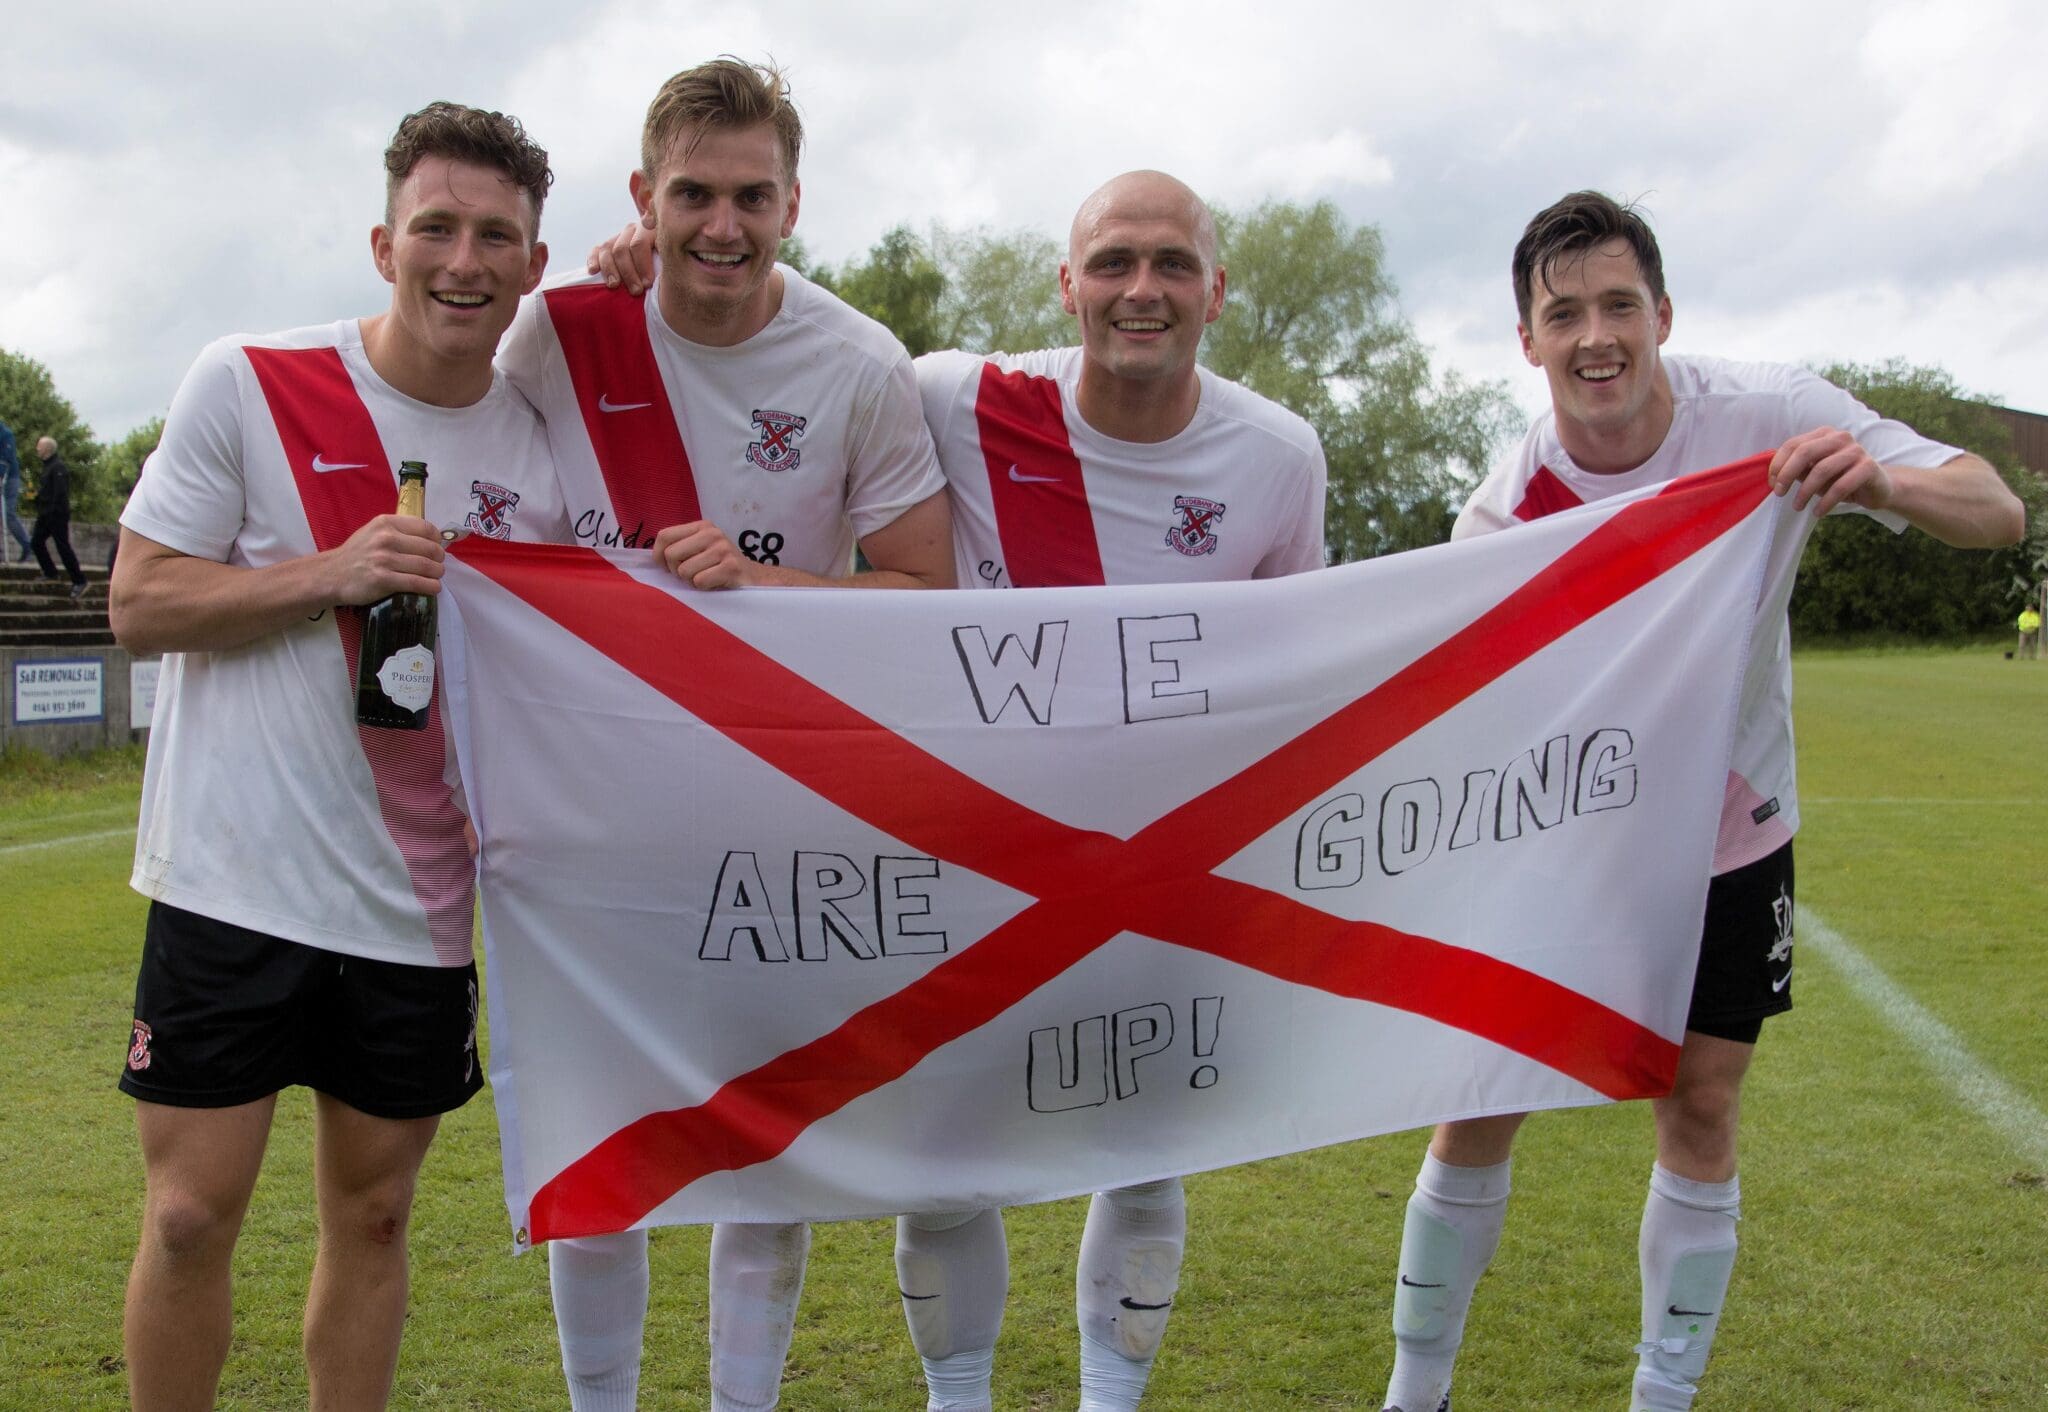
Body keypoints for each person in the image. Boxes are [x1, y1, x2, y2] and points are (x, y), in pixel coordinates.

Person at [1377, 191, 2024, 1412]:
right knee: (1482, 1101)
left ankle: (1659, 1398)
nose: (1594, 336)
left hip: (1731, 825)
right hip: (1566, 834)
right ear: (1526, 340)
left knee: (1701, 1099)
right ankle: (1414, 1394)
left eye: (1617, 304)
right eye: (1563, 314)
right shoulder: (1505, 510)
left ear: (1662, 314)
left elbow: (1997, 508)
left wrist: (1880, 480)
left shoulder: (1770, 414)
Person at [504, 57, 952, 1412]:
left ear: (793, 204)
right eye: (692, 194)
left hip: (774, 805)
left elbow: (926, 596)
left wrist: (763, 588)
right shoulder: (557, 333)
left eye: (751, 197)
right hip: (586, 803)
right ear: (642, 196)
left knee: (761, 1144)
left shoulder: (858, 362)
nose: (721, 225)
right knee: (601, 1142)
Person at [108, 101, 568, 1411]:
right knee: (189, 1216)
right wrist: (330, 573)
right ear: (383, 242)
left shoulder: (545, 450)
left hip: (412, 905)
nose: (463, 261)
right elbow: (138, 603)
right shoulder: (250, 381)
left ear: (533, 263)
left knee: (373, 1219)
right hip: (231, 881)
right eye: (436, 227)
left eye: (496, 236)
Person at [899, 171, 1326, 1412]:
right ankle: (957, 1397)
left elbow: (1300, 668)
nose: (1142, 290)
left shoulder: (1276, 454)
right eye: (1113, 261)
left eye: (1171, 263)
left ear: (1215, 290)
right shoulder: (954, 397)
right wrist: (642, 267)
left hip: (1163, 867)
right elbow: (780, 349)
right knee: (941, 1154)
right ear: (1066, 283)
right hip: (975, 852)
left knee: (1142, 1149)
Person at [30, 435, 88, 598]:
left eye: (39, 446)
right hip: (45, 514)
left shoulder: (58, 467)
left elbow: (60, 493)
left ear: (47, 449)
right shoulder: (47, 467)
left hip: (56, 515)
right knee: (36, 542)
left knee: (63, 547)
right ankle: (50, 572)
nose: (37, 449)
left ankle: (79, 580)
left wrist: (52, 511)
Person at [0, 418, 31, 562]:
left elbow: (7, 458)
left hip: (9, 478)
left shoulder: (6, 434)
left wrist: (1, 474)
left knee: (8, 513)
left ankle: (27, 545)